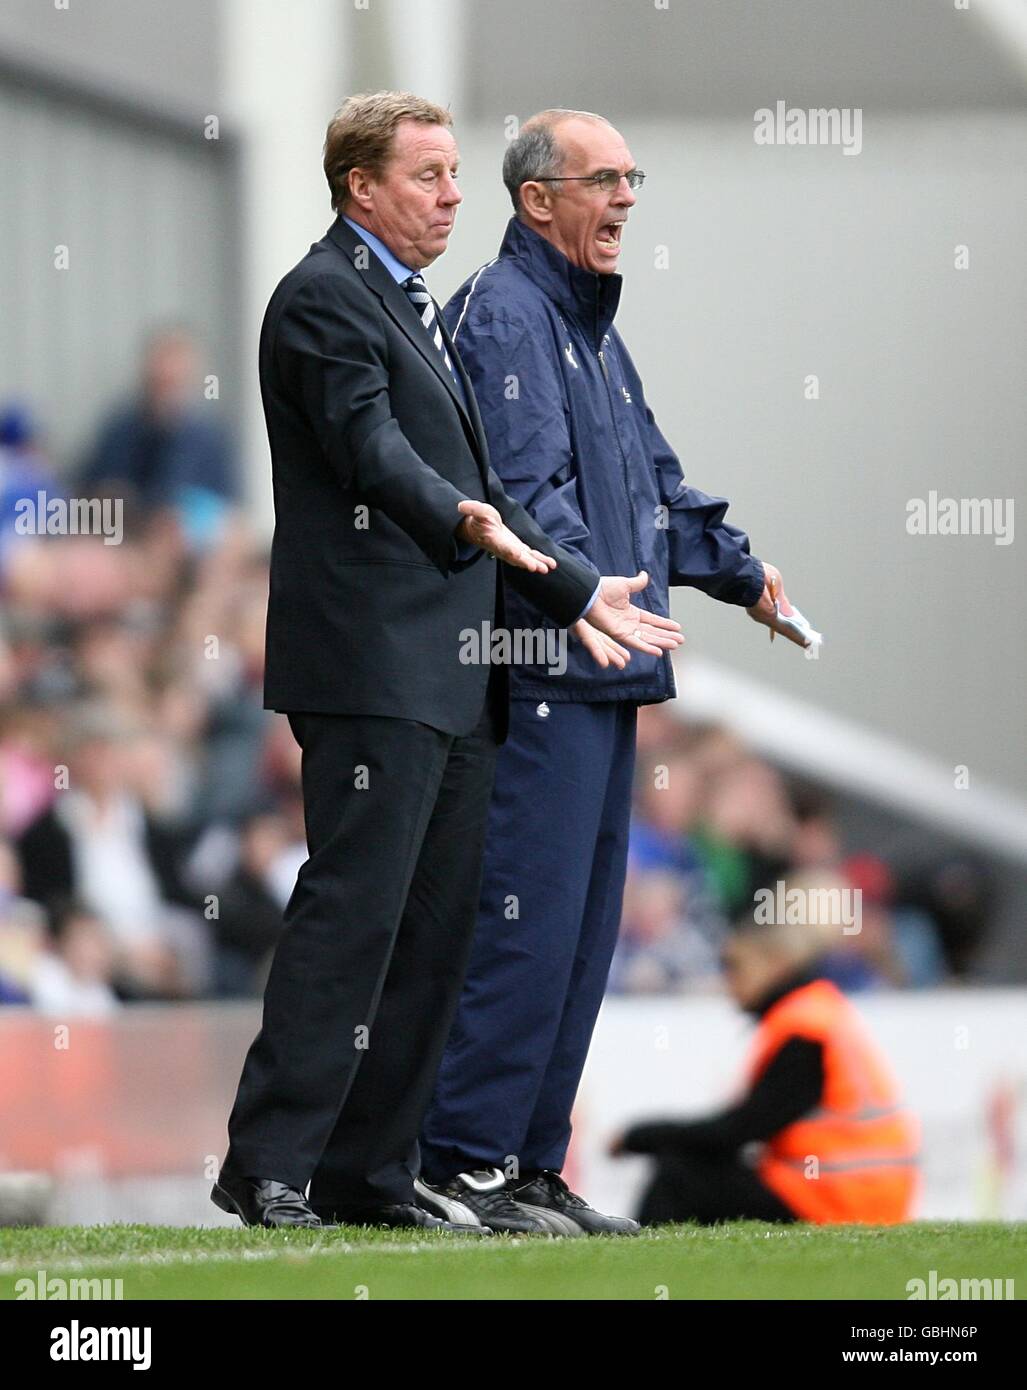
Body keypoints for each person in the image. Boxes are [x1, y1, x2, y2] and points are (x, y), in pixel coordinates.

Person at [212, 92, 683, 1232]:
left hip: (454, 673)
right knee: (354, 917)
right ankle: (268, 1165)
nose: (451, 195)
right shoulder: (322, 297)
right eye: (428, 175)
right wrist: (463, 519)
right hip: (369, 667)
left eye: (455, 173)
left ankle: (369, 1176)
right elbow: (371, 449)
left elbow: (491, 485)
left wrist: (573, 588)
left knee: (434, 934)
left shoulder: (418, 305)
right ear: (360, 185)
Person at [418, 108, 803, 1234]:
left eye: (632, 176)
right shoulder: (507, 319)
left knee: (582, 936)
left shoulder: (586, 330)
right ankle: (466, 1160)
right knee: (526, 929)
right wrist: (586, 595)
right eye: (603, 179)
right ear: (536, 199)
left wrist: (745, 575)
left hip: (606, 671)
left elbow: (654, 494)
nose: (626, 198)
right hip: (541, 664)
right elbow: (528, 504)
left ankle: (530, 1162)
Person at [610, 920, 921, 1225]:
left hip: (839, 1196)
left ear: (777, 964)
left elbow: (741, 1129)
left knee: (678, 1176)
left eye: (735, 966)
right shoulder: (815, 1012)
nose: (727, 980)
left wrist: (641, 1136)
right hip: (865, 1192)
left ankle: (636, 1266)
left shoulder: (802, 1029)